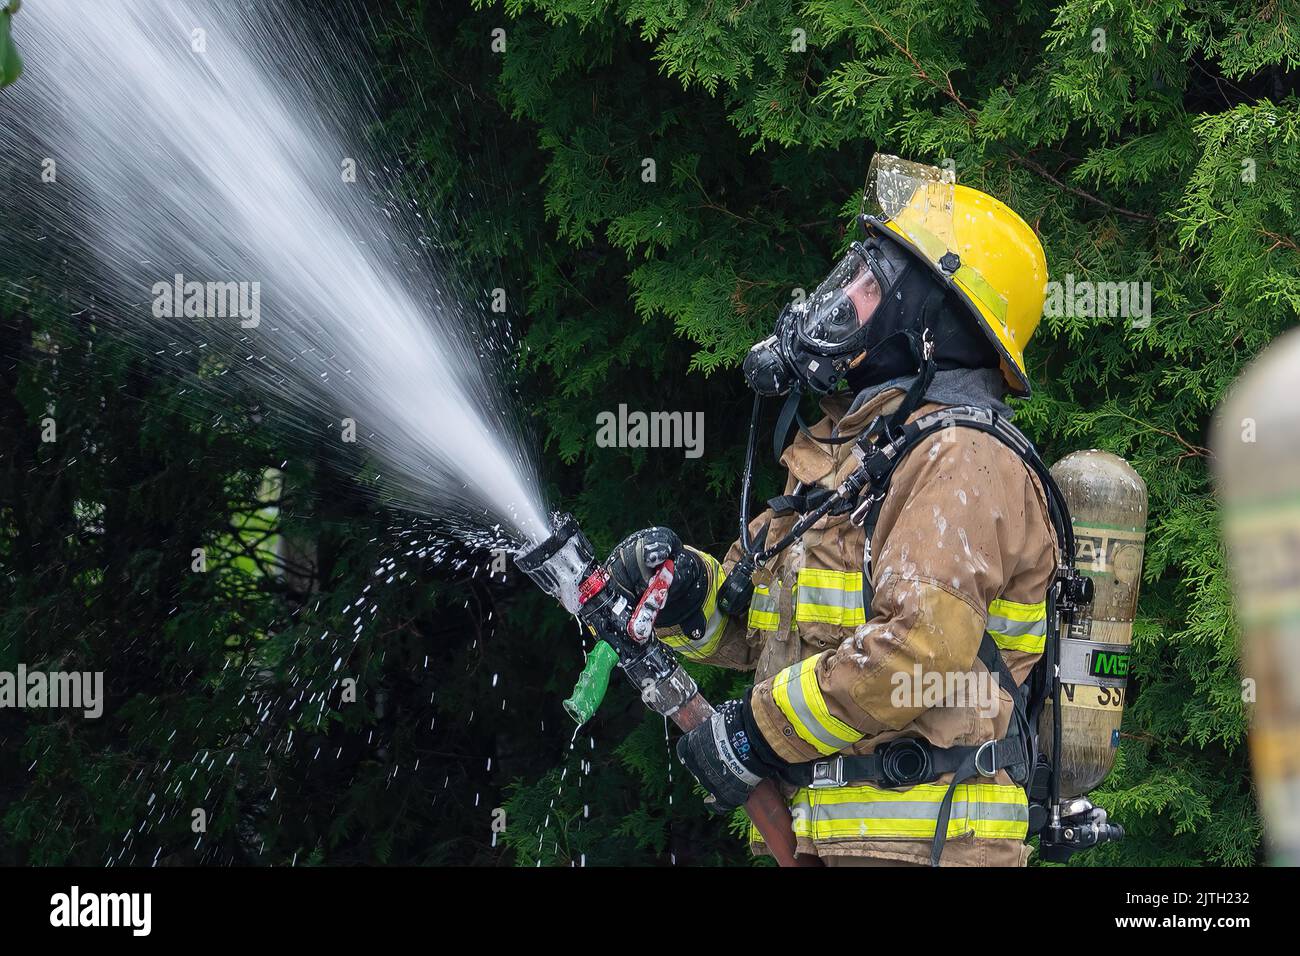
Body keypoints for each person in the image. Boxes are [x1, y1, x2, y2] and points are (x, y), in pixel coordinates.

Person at [606, 156, 1056, 866]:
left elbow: (921, 652)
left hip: (931, 850)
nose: (842, 301)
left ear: (931, 320)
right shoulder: (849, 460)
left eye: (871, 286)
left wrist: (756, 735)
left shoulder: (962, 459)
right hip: (827, 845)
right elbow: (761, 627)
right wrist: (684, 593)